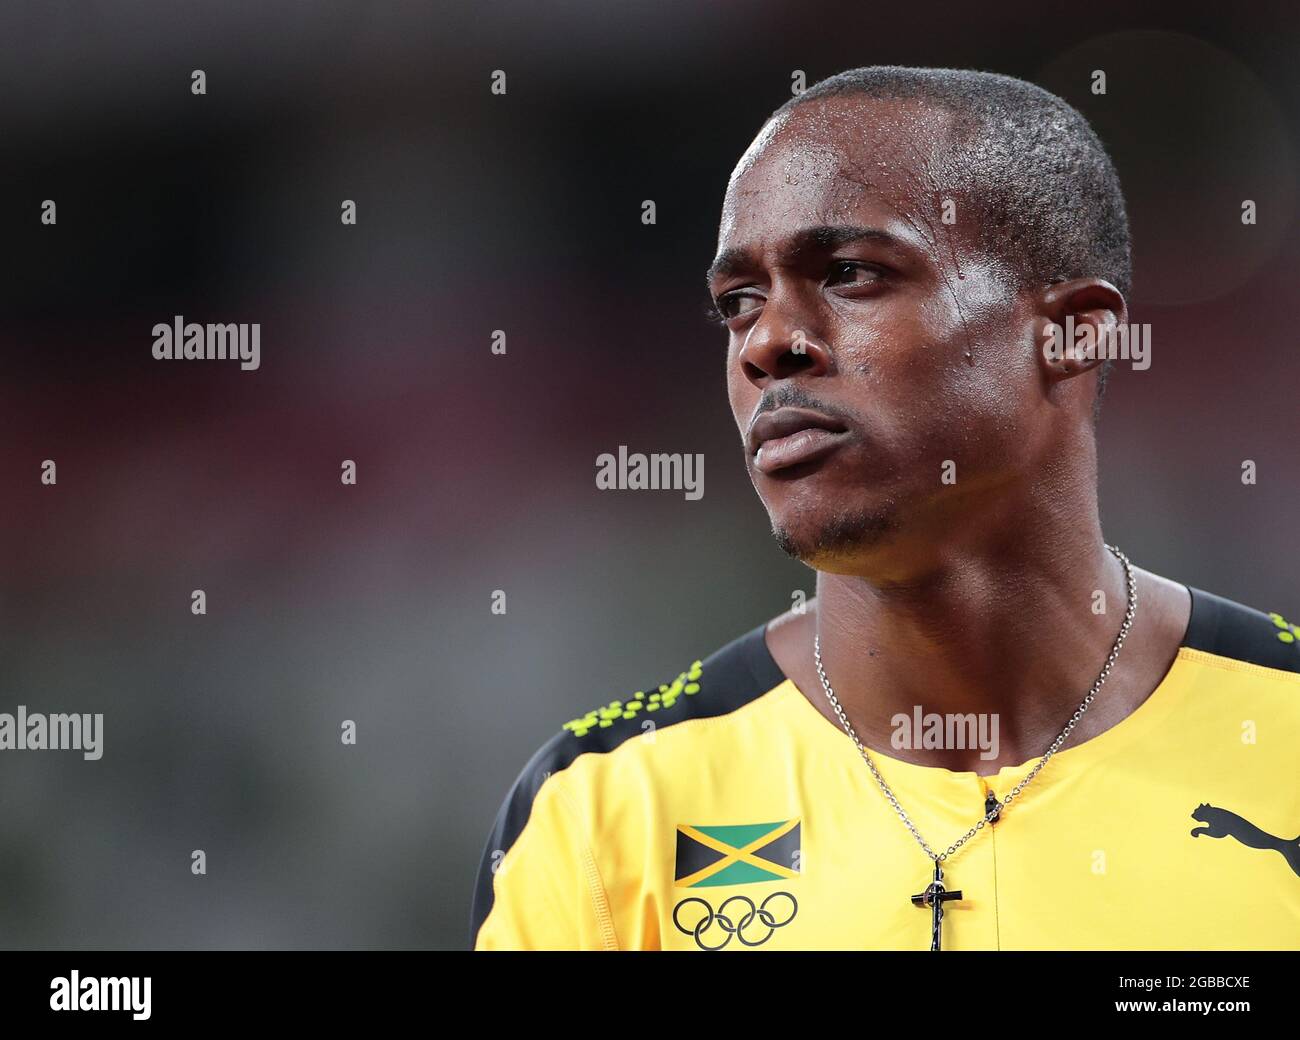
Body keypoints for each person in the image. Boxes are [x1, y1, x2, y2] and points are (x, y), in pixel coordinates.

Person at [470, 66, 1300, 951]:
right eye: (738, 303)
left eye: (851, 273)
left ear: (1071, 333)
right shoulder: (606, 810)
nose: (768, 344)